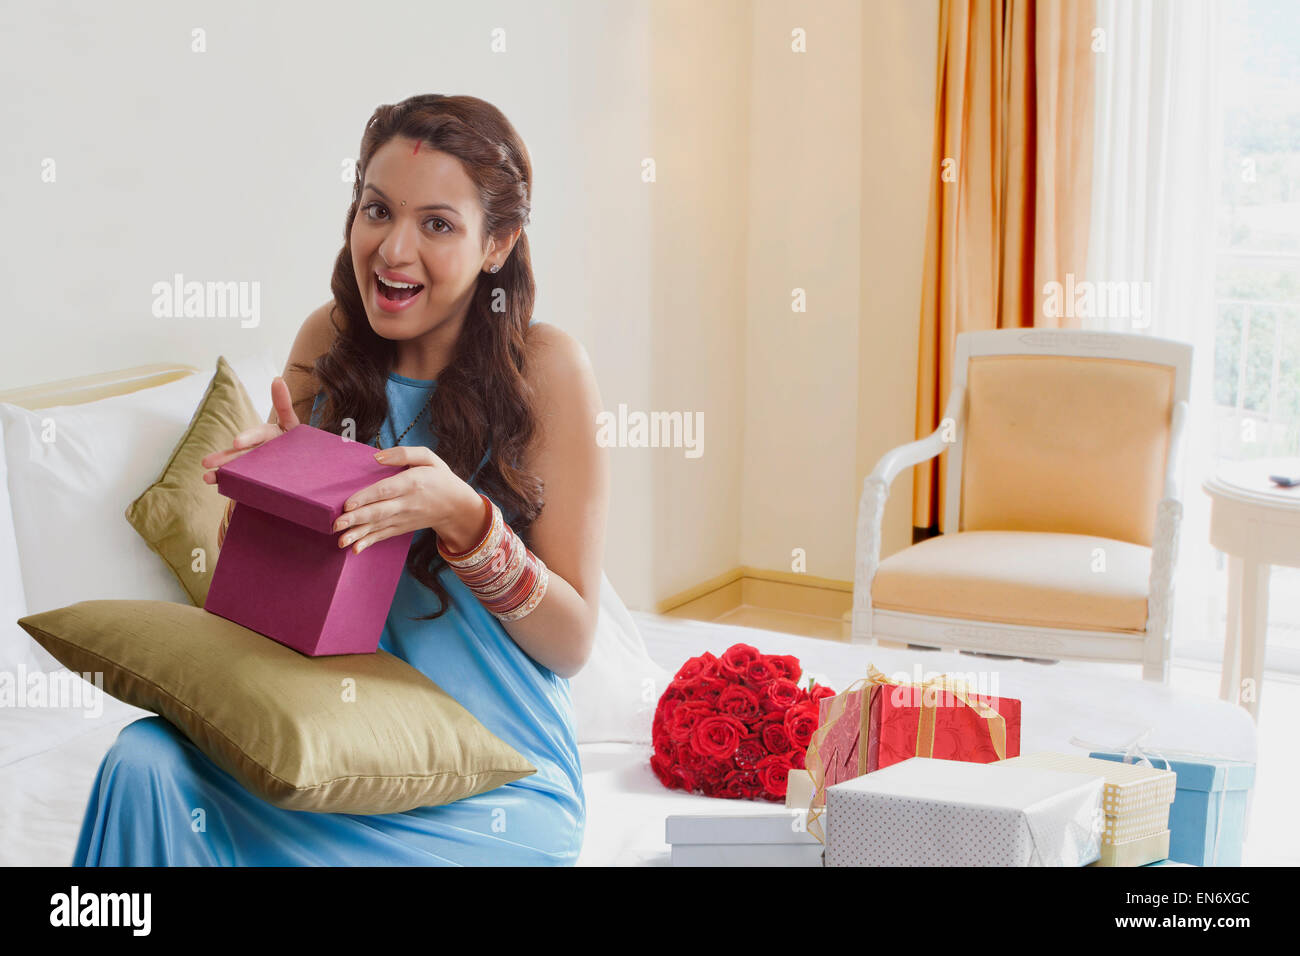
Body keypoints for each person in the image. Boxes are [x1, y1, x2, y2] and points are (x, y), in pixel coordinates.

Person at [73, 94, 609, 865]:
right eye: (377, 209)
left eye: (437, 224)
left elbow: (574, 642)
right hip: (335, 753)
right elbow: (268, 619)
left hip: (495, 782)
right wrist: (264, 501)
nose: (392, 250)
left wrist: (464, 520)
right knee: (143, 762)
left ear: (499, 243)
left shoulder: (547, 367)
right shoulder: (325, 341)